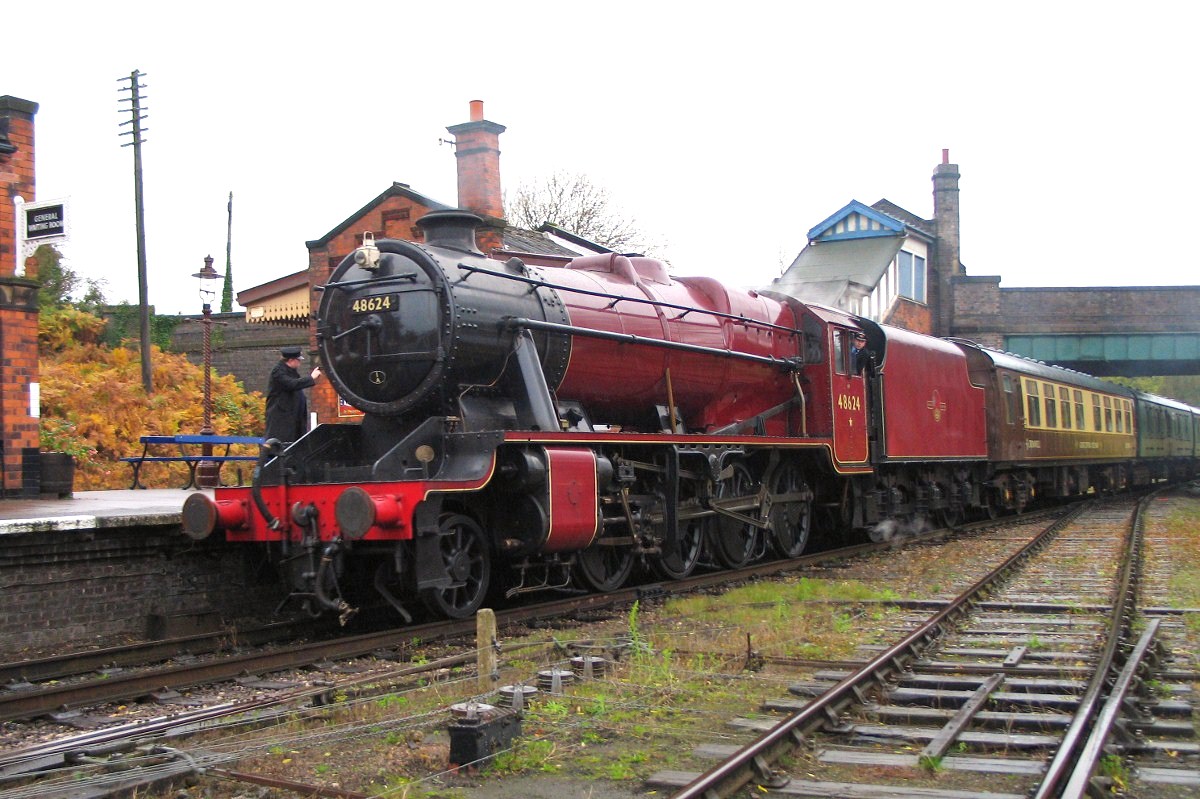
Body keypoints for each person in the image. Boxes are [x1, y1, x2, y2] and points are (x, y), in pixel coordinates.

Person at [265, 346, 322, 444]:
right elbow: (292, 384)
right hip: (282, 419)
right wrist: (311, 378)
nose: (300, 362)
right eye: (298, 360)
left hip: (294, 418)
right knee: (283, 446)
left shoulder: (290, 372)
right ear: (291, 360)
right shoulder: (278, 372)